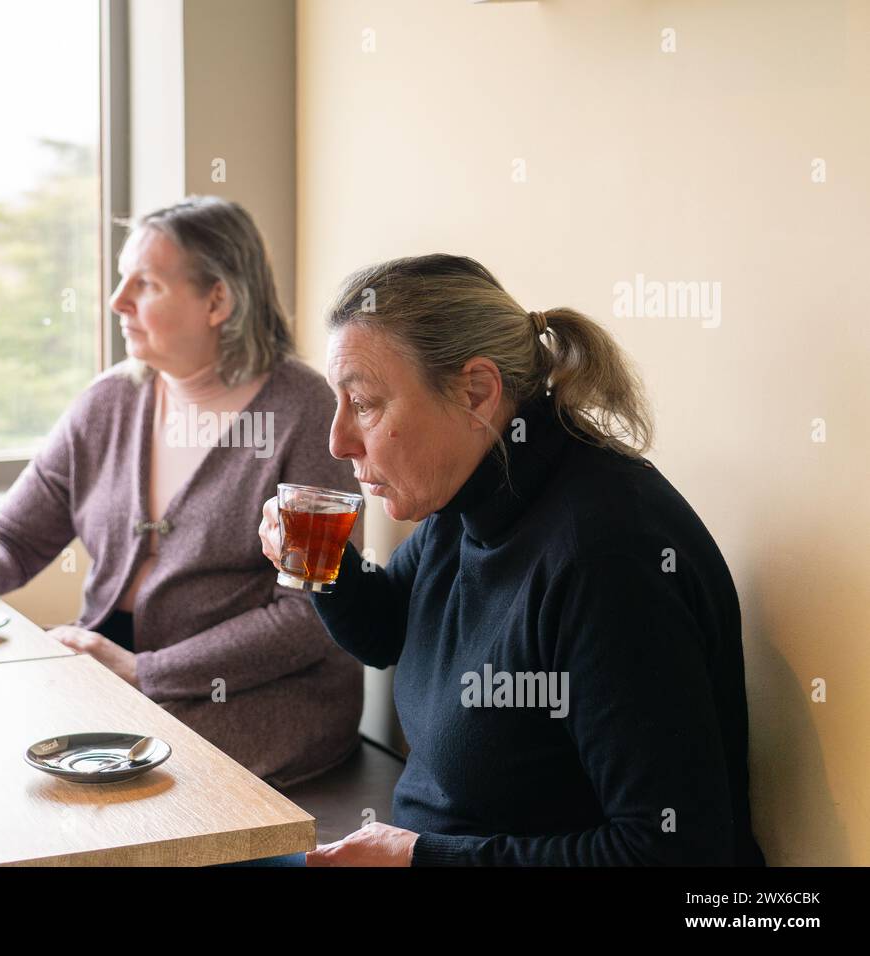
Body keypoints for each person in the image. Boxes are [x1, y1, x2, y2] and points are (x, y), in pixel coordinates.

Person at [255, 253, 766, 865]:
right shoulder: (473, 492)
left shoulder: (605, 556)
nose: (337, 441)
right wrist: (326, 563)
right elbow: (392, 628)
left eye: (362, 403)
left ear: (476, 392)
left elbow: (675, 851)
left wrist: (426, 860)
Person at [0, 196, 364, 789]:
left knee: (71, 780)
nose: (116, 301)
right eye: (121, 279)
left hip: (256, 699)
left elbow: (307, 616)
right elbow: (13, 534)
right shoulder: (110, 402)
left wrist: (143, 671)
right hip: (110, 677)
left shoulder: (305, 413)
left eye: (146, 284)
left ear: (218, 301)